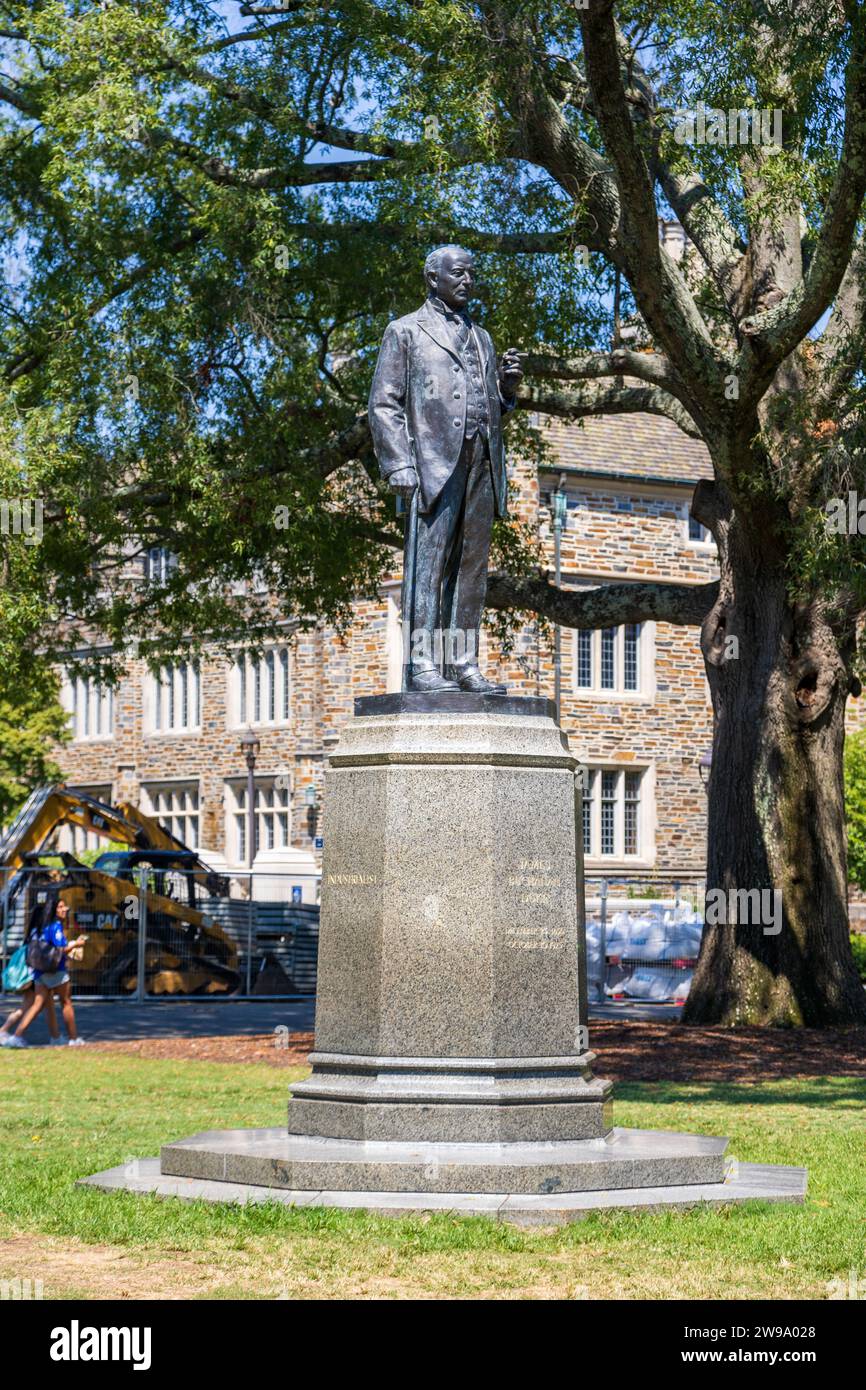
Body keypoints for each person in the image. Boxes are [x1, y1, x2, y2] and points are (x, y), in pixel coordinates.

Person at [368, 244, 524, 692]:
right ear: (433, 278)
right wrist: (399, 463)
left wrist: (506, 390)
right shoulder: (405, 331)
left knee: (471, 567)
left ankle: (462, 664)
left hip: (482, 462)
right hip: (433, 465)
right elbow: (383, 404)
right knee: (429, 566)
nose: (467, 280)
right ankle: (421, 664)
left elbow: (486, 401)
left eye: (471, 273)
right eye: (458, 273)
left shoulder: (482, 337)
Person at [0, 898, 86, 1048]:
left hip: (39, 972)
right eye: (60, 907)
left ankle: (17, 1036)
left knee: (37, 1005)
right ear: (53, 910)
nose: (64, 909)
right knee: (66, 1002)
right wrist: (76, 944)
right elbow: (61, 949)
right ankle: (73, 1039)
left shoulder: (38, 928)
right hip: (55, 970)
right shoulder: (55, 926)